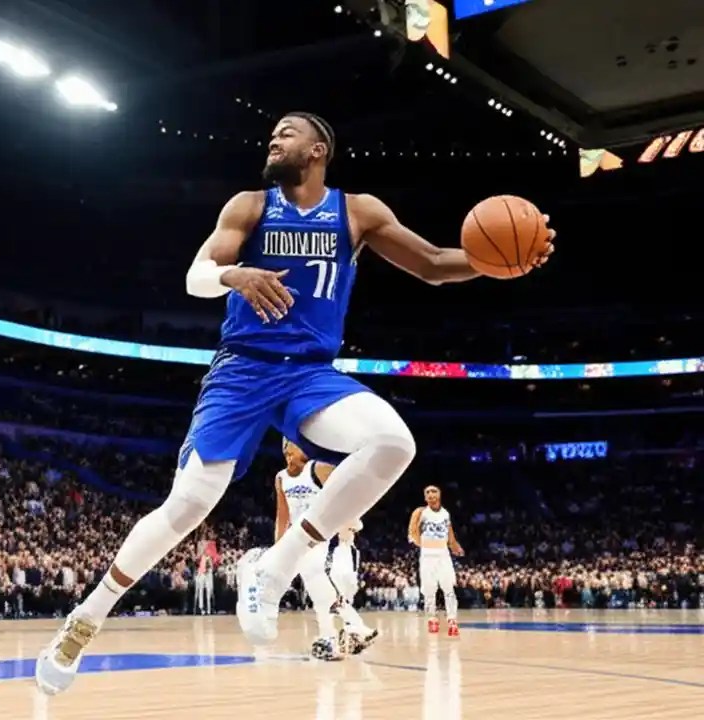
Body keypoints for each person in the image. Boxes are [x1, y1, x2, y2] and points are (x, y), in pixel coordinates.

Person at [34, 112, 554, 695]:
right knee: (189, 503)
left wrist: (499, 264)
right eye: (273, 131)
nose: (274, 138)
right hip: (242, 369)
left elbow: (433, 265)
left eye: (288, 131)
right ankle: (86, 619)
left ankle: (276, 565)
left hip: (309, 374)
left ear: (318, 149)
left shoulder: (358, 212)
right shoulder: (249, 206)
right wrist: (237, 274)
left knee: (393, 442)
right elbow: (196, 277)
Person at [274, 440, 376, 660]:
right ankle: (346, 631)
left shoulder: (318, 467)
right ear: (287, 450)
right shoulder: (281, 478)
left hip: (318, 533)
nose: (306, 447)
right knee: (316, 586)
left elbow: (345, 492)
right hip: (295, 538)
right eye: (298, 443)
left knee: (317, 581)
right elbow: (282, 516)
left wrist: (352, 519)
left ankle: (340, 632)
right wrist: (278, 548)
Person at [408, 485, 464, 636]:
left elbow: (450, 536)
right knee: (429, 590)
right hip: (427, 555)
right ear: (425, 497)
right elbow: (412, 533)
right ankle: (432, 619)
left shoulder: (445, 514)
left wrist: (455, 547)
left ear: (439, 495)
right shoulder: (420, 512)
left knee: (449, 588)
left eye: (434, 491)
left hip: (443, 554)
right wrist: (425, 545)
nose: (431, 494)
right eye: (427, 492)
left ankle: (452, 620)